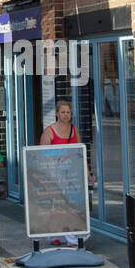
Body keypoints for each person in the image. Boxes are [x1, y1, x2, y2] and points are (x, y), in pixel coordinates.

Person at [39, 98, 94, 246]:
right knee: (59, 205)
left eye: (68, 112)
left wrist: (87, 172)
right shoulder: (50, 131)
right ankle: (60, 236)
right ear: (57, 113)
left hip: (73, 174)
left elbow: (80, 152)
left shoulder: (74, 130)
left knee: (72, 205)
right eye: (62, 112)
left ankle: (71, 238)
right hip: (57, 174)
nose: (65, 115)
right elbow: (42, 154)